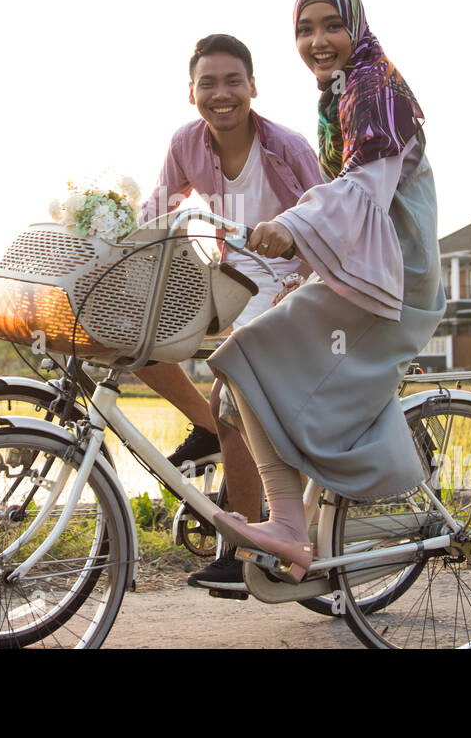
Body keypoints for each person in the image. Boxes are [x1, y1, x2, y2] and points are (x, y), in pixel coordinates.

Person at [206, 0, 448, 581]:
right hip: (364, 277)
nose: (318, 41)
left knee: (248, 352)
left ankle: (290, 524)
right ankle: (298, 523)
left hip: (395, 282)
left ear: (356, 27)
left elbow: (362, 193)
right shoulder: (340, 95)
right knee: (248, 371)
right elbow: (350, 217)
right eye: (304, 30)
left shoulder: (376, 90)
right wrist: (308, 270)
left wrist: (292, 226)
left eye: (329, 26)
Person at [133, 32, 324, 591]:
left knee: (233, 384)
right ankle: (210, 429)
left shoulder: (287, 148)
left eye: (232, 81)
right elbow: (158, 208)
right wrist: (118, 241)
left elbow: (330, 220)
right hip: (230, 279)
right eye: (208, 83)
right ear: (191, 92)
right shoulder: (186, 143)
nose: (222, 94)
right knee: (139, 343)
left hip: (292, 280)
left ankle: (244, 552)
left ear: (253, 87)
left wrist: (300, 284)